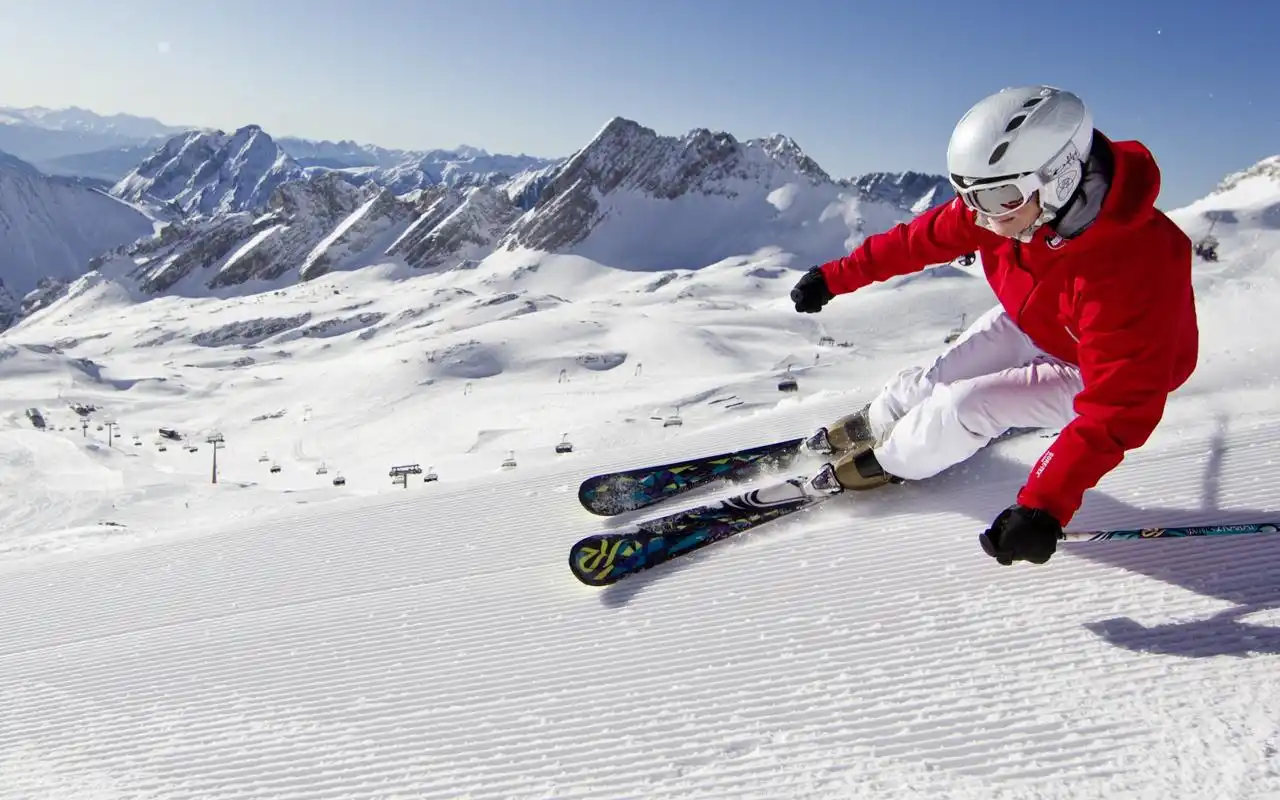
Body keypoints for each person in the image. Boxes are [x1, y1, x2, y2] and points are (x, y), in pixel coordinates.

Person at [789, 85, 1199, 566]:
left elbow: (1118, 410)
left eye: (998, 197)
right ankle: (878, 420)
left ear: (1061, 178)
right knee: (936, 377)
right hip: (1036, 322)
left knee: (966, 404)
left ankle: (888, 461)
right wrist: (834, 278)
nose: (981, 216)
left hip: (1096, 370)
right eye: (969, 195)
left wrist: (1044, 506)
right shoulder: (1002, 209)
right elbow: (917, 241)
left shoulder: (1133, 266)